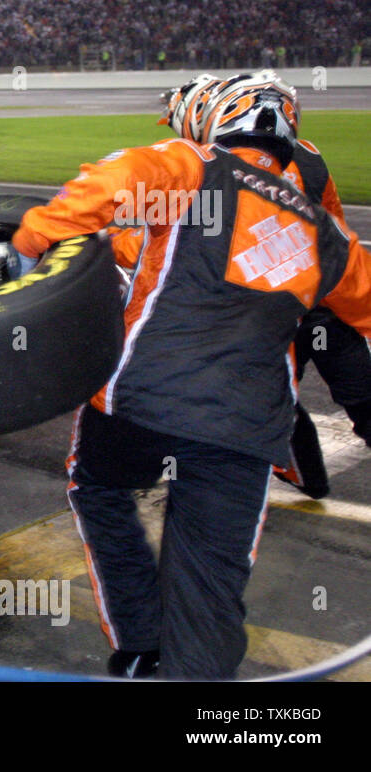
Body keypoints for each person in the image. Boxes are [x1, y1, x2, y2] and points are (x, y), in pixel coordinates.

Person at [12, 70, 371, 679]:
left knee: (97, 490)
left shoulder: (192, 168)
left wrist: (31, 242)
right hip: (247, 426)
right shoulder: (323, 229)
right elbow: (359, 308)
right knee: (208, 583)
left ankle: (137, 645)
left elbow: (111, 183)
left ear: (217, 120)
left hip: (141, 401)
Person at [119, 72, 371, 498]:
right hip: (314, 305)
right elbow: (335, 229)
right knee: (354, 394)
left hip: (262, 315)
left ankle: (293, 471)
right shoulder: (307, 156)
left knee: (285, 404)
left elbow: (152, 246)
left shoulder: (205, 175)